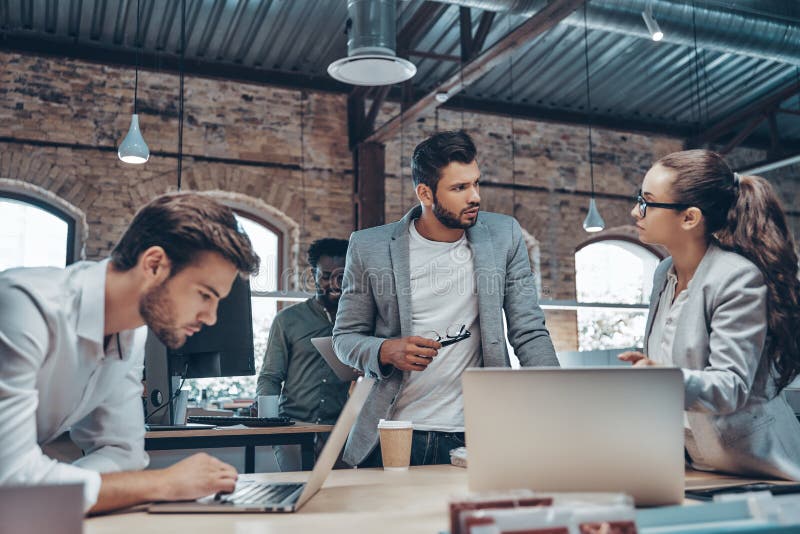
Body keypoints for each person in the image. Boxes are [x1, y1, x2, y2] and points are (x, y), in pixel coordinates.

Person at [0, 192, 260, 513]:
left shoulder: (132, 335)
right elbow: (11, 484)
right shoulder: (23, 308)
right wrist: (164, 483)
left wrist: (51, 488)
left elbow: (123, 453)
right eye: (205, 295)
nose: (211, 318)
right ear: (154, 265)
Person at [333, 130, 558, 468]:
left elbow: (529, 330)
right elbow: (344, 338)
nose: (474, 197)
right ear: (425, 193)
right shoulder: (369, 247)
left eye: (476, 183)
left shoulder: (504, 236)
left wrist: (559, 404)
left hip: (478, 433)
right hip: (395, 431)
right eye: (459, 188)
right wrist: (386, 350)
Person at [619, 149, 800, 480]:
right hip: (700, 465)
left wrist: (664, 380)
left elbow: (731, 386)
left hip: (761, 468)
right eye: (638, 199)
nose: (635, 211)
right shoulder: (663, 274)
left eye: (648, 202)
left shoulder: (737, 277)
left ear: (690, 218)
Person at [256, 238, 352, 470]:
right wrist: (268, 424)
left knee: (339, 491)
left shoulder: (359, 322)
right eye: (326, 276)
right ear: (313, 275)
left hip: (341, 433)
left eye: (342, 276)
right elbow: (270, 376)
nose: (335, 284)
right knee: (295, 488)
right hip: (293, 429)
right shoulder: (287, 320)